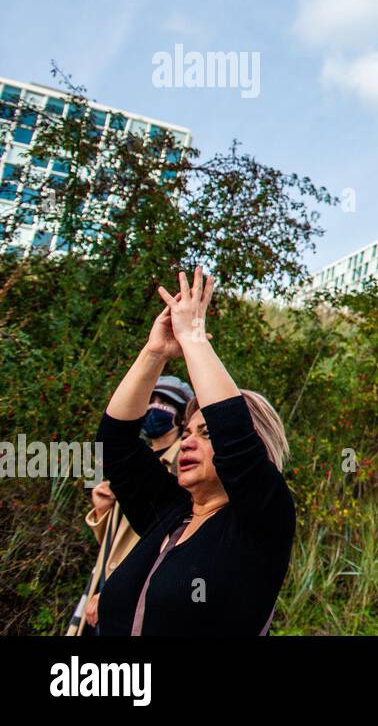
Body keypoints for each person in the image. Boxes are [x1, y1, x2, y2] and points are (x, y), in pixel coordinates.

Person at [93, 266, 295, 635]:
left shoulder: (262, 521)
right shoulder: (170, 512)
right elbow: (115, 443)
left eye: (206, 433)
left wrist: (195, 339)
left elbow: (234, 435)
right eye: (186, 432)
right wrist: (155, 353)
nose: (187, 441)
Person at [67, 377, 193, 635]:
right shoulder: (136, 461)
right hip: (104, 583)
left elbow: (170, 543)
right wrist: (103, 511)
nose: (155, 407)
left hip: (131, 596)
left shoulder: (185, 466)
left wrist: (117, 592)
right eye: (152, 400)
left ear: (181, 417)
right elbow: (119, 541)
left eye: (165, 403)